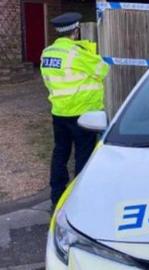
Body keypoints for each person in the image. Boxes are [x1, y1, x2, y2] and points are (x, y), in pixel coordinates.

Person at [40, 12, 109, 208]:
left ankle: (57, 197)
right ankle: (81, 199)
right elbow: (103, 70)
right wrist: (88, 50)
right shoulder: (78, 53)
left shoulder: (47, 52)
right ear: (76, 30)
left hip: (59, 113)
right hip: (83, 115)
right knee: (83, 156)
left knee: (60, 154)